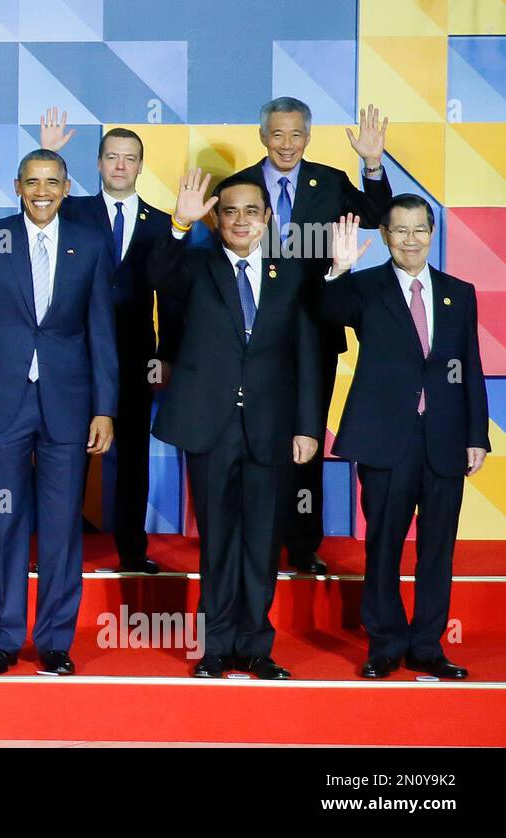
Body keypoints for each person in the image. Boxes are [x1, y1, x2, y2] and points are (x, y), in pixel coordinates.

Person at [0, 150, 117, 676]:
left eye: (51, 182)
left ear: (66, 186)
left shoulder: (92, 243)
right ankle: (3, 640)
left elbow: (102, 330)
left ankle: (55, 642)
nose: (41, 190)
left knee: (60, 529)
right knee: (4, 522)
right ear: (17, 186)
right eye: (32, 182)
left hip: (69, 406)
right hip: (5, 404)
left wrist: (105, 407)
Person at [149, 169, 322, 680]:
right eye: (229, 211)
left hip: (271, 425)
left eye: (252, 211)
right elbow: (155, 274)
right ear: (215, 218)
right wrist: (179, 223)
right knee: (219, 538)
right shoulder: (195, 267)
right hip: (210, 425)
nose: (241, 220)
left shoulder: (291, 274)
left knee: (263, 540)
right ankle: (216, 647)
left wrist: (308, 426)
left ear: (268, 218)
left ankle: (256, 646)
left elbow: (307, 356)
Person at [321, 200, 489, 679]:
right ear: (386, 234)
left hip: (444, 439)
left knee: (438, 548)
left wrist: (476, 434)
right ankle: (386, 643)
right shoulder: (365, 288)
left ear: (432, 232)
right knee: (384, 545)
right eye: (400, 231)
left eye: (419, 230)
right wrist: (338, 268)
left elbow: (469, 366)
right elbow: (325, 310)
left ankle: (428, 646)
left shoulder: (460, 292)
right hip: (385, 438)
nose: (411, 239)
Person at [235, 98, 392, 575]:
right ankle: (248, 538)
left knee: (306, 436)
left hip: (314, 331)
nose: (287, 144)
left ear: (309, 136)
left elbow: (376, 215)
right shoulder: (238, 187)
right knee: (251, 437)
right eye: (278, 134)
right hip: (250, 335)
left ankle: (302, 545)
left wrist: (371, 162)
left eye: (297, 134)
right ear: (263, 136)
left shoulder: (329, 181)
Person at [41, 114, 187, 574]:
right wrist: (52, 155)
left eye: (130, 159)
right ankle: (59, 549)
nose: (120, 166)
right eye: (112, 157)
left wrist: (164, 357)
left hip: (135, 357)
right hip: (72, 354)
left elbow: (174, 298)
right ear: (99, 163)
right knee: (67, 449)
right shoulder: (71, 211)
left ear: (142, 165)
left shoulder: (163, 222)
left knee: (132, 457)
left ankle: (130, 548)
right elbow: (35, 216)